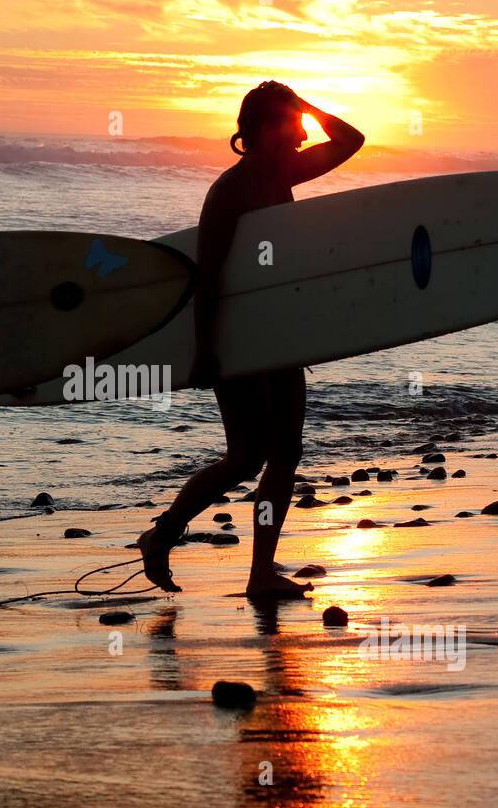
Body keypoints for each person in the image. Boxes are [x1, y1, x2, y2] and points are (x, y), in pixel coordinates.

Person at [138, 82, 364, 598]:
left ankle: (261, 571)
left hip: (277, 332)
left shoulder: (284, 171)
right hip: (238, 336)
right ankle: (163, 532)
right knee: (245, 457)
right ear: (265, 130)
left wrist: (300, 104)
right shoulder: (230, 191)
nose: (306, 133)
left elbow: (351, 139)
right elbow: (208, 277)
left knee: (286, 451)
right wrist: (204, 351)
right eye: (294, 124)